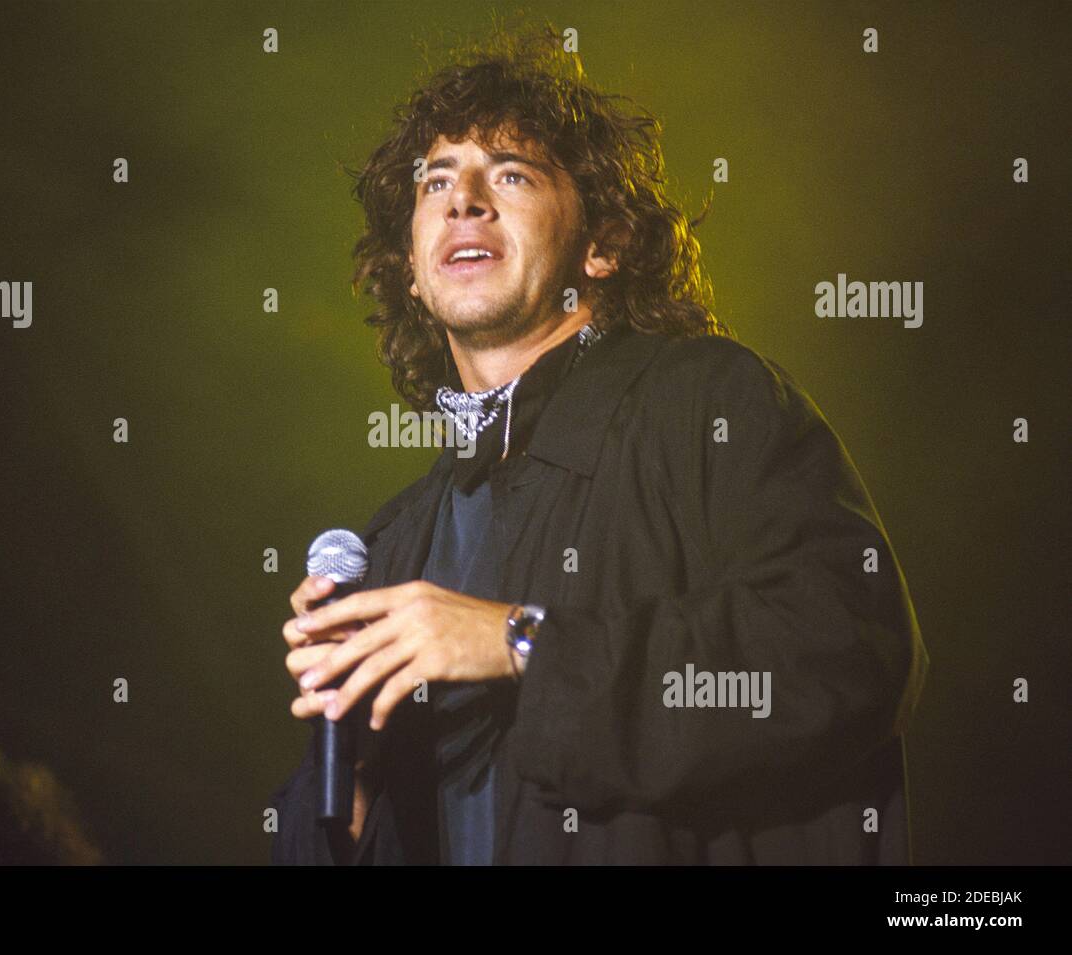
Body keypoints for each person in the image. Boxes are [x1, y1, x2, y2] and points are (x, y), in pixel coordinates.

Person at [270, 25, 928, 865]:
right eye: (436, 182)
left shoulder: (707, 402)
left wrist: (520, 642)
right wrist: (353, 784)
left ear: (603, 245)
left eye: (509, 173)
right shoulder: (398, 544)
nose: (463, 199)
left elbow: (849, 648)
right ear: (409, 266)